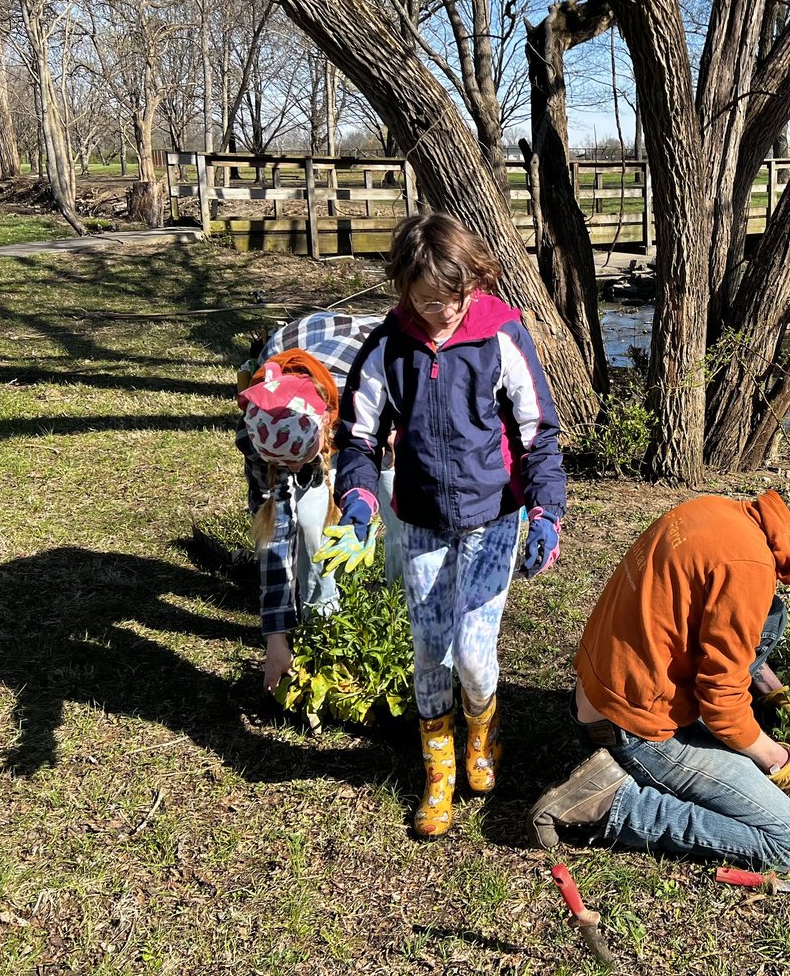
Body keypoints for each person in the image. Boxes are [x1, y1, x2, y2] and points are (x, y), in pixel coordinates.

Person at [318, 212, 567, 839]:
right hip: (422, 519)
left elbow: (538, 433)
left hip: (494, 516)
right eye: (427, 300)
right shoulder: (387, 347)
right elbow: (357, 438)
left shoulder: (501, 334)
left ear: (472, 282)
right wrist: (358, 501)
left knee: (474, 658)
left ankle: (483, 734)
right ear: (403, 287)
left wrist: (546, 512)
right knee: (430, 650)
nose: (442, 312)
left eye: (453, 298)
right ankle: (439, 771)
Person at [527, 492, 790, 870]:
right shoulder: (750, 567)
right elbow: (722, 705)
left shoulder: (717, 511)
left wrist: (764, 685)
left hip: (597, 690)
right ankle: (611, 802)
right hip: (632, 727)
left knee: (771, 614)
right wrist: (775, 757)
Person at [236, 310, 397, 697]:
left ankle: (403, 609)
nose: (291, 470)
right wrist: (275, 636)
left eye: (299, 459)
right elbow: (274, 534)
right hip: (307, 355)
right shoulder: (258, 427)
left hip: (378, 385)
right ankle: (321, 620)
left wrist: (397, 438)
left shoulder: (372, 379)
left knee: (396, 501)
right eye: (283, 464)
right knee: (310, 518)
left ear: (326, 426)